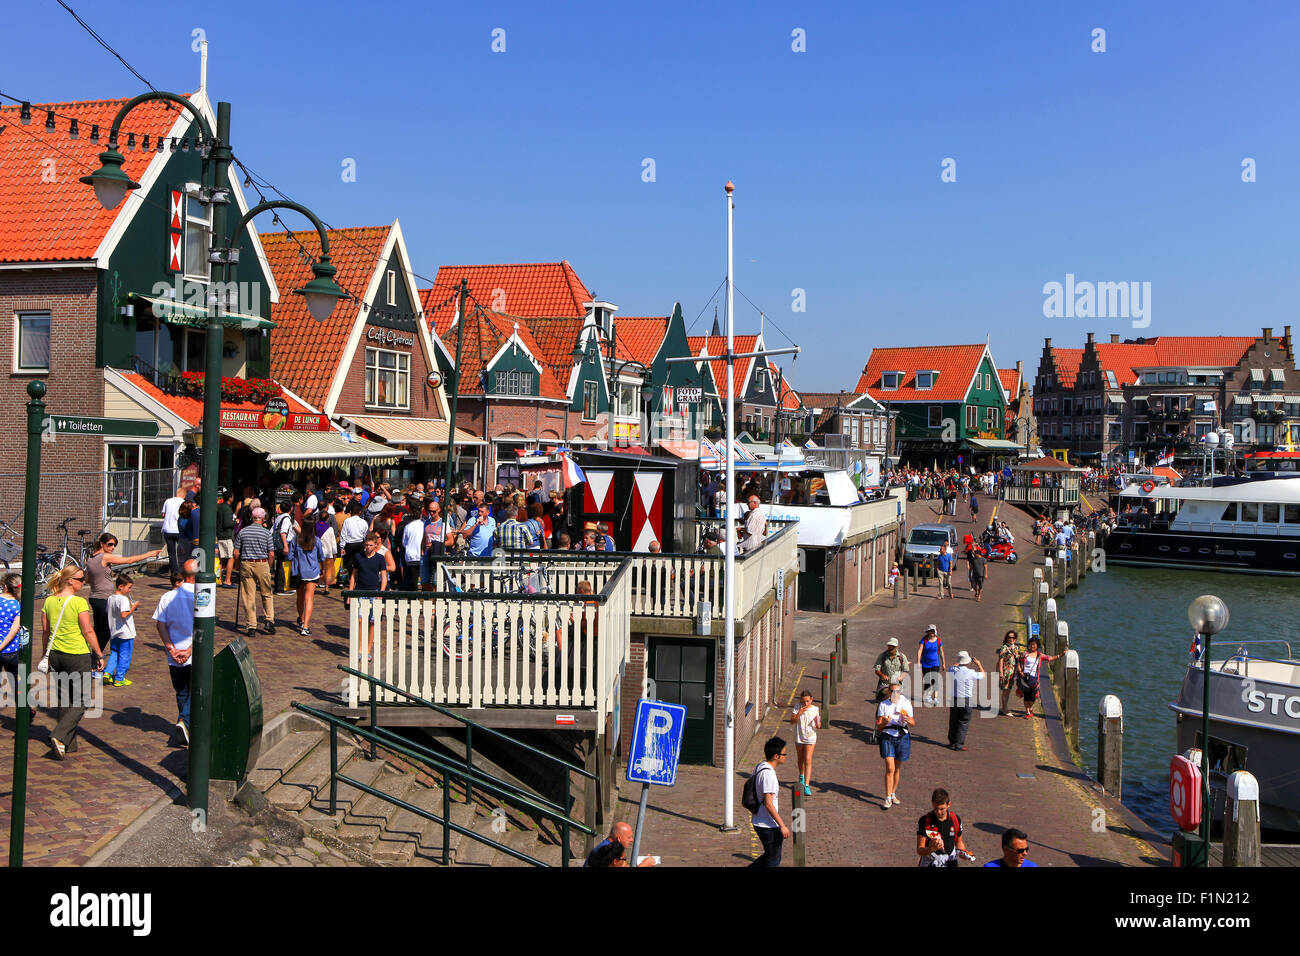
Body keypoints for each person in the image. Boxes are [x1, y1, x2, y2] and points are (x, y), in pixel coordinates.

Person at [41, 565, 104, 758]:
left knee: (64, 699)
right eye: (81, 579)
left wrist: (45, 654)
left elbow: (45, 631)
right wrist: (99, 654)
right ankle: (59, 735)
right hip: (76, 655)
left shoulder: (49, 601)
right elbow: (88, 631)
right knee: (82, 700)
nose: (83, 582)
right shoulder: (79, 602)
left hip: (56, 655)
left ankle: (68, 744)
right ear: (70, 581)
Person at [84, 533, 161, 678]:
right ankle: (94, 665)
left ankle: (93, 662)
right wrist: (149, 554)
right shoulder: (104, 557)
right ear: (102, 544)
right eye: (110, 544)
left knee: (99, 631)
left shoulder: (91, 558)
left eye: (114, 545)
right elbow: (129, 560)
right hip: (103, 599)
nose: (112, 548)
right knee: (105, 632)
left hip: (94, 598)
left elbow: (87, 579)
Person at [153, 559, 196, 746]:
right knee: (196, 690)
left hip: (173, 654)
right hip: (193, 653)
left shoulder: (167, 596)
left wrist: (170, 647)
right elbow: (204, 627)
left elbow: (160, 624)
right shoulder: (201, 596)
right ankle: (184, 722)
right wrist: (189, 650)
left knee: (181, 691)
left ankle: (184, 724)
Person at [234, 507, 276, 636]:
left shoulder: (243, 532)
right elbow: (271, 553)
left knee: (248, 596)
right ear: (263, 518)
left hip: (246, 563)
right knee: (266, 594)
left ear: (252, 518)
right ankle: (269, 620)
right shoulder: (267, 533)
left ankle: (251, 626)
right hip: (262, 563)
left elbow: (236, 552)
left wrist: (237, 564)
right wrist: (268, 567)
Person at [749, 736, 790, 866]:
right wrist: (782, 825)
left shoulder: (760, 766)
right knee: (773, 860)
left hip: (759, 820)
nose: (786, 756)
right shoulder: (769, 775)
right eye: (784, 754)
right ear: (776, 756)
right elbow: (768, 803)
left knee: (769, 856)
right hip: (767, 824)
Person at [876, 674, 914, 809]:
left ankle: (893, 793)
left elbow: (913, 722)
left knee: (897, 768)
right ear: (889, 692)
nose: (894, 694)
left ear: (900, 691)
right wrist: (884, 722)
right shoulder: (883, 705)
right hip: (887, 736)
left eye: (897, 691)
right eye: (892, 691)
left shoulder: (906, 703)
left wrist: (907, 719)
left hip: (902, 736)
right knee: (890, 768)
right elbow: (879, 726)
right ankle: (887, 797)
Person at [349, 532, 388, 661]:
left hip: (374, 591)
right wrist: (350, 593)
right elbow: (353, 575)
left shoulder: (380, 558)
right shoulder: (358, 557)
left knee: (372, 622)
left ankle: (368, 650)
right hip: (360, 591)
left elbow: (384, 577)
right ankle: (360, 649)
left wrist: (380, 593)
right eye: (366, 545)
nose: (367, 548)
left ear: (376, 545)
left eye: (370, 545)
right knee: (360, 620)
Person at [916, 788, 975, 867]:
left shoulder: (955, 819)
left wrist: (963, 853)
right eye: (936, 809)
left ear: (948, 805)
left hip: (951, 862)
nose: (938, 812)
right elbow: (920, 849)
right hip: (930, 862)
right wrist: (930, 849)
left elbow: (958, 842)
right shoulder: (925, 821)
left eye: (942, 809)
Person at [289, 519, 324, 637]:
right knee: (309, 599)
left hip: (298, 571)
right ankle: (305, 626)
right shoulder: (316, 541)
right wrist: (322, 568)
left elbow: (290, 555)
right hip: (312, 572)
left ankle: (301, 619)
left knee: (300, 598)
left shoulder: (295, 540)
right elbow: (321, 557)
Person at [104, 573, 140, 686]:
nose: (129, 590)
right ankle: (119, 678)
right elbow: (124, 615)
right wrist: (133, 607)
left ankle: (108, 673)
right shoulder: (123, 599)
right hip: (126, 633)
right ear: (120, 586)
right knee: (125, 655)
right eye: (128, 588)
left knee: (114, 653)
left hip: (114, 631)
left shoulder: (110, 598)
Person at [946, 650, 984, 751]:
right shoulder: (970, 672)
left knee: (953, 720)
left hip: (954, 698)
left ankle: (952, 741)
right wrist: (979, 665)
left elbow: (953, 666)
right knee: (963, 721)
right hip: (966, 699)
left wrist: (958, 662)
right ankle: (958, 744)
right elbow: (982, 675)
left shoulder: (952, 670)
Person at [1017, 636, 1061, 719]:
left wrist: (1060, 655)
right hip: (1025, 678)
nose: (1032, 646)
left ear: (1037, 646)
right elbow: (1019, 662)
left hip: (1034, 679)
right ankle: (1028, 712)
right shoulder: (1025, 654)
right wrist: (1020, 671)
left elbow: (1050, 658)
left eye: (1034, 644)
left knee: (1032, 698)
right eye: (1030, 644)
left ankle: (1030, 708)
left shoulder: (1040, 655)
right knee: (1026, 697)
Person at [583, 821, 656, 867]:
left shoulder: (611, 847)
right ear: (619, 839)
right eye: (629, 837)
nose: (632, 840)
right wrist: (643, 865)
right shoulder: (607, 851)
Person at [789, 690, 820, 796]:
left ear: (811, 699)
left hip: (810, 737)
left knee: (808, 759)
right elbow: (792, 721)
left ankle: (807, 785)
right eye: (803, 701)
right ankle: (801, 776)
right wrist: (800, 713)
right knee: (800, 758)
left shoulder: (815, 709)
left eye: (807, 701)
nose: (805, 704)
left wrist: (818, 723)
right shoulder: (797, 707)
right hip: (799, 736)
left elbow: (818, 724)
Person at [0, 573, 22, 693]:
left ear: (5, 586)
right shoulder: (17, 605)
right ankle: (24, 710)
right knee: (17, 683)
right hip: (11, 651)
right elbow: (14, 630)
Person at [917, 624, 945, 705]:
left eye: (932, 631)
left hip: (935, 663)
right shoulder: (924, 640)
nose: (931, 632)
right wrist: (918, 662)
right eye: (930, 631)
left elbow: (941, 652)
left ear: (935, 631)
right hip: (925, 663)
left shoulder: (939, 640)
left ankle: (935, 698)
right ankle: (927, 696)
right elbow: (919, 651)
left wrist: (943, 663)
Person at [161, 488, 185, 577]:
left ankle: (175, 572)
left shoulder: (168, 501)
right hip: (179, 530)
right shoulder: (183, 502)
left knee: (171, 553)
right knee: (183, 551)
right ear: (183, 495)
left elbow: (163, 514)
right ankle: (183, 571)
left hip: (167, 529)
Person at [216, 488, 237, 588]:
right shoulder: (227, 508)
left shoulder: (219, 506)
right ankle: (227, 580)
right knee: (230, 558)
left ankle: (218, 579)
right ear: (230, 498)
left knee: (221, 558)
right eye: (232, 496)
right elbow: (227, 523)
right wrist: (235, 522)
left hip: (219, 534)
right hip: (226, 535)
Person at [996, 630, 1021, 716]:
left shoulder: (1016, 648)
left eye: (1013, 637)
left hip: (1013, 672)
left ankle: (1004, 707)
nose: (1011, 639)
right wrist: (1001, 673)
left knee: (1008, 690)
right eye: (1009, 637)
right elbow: (1001, 660)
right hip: (1006, 671)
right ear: (1007, 638)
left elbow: (1017, 660)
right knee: (1005, 690)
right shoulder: (1004, 648)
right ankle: (1004, 708)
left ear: (1015, 639)